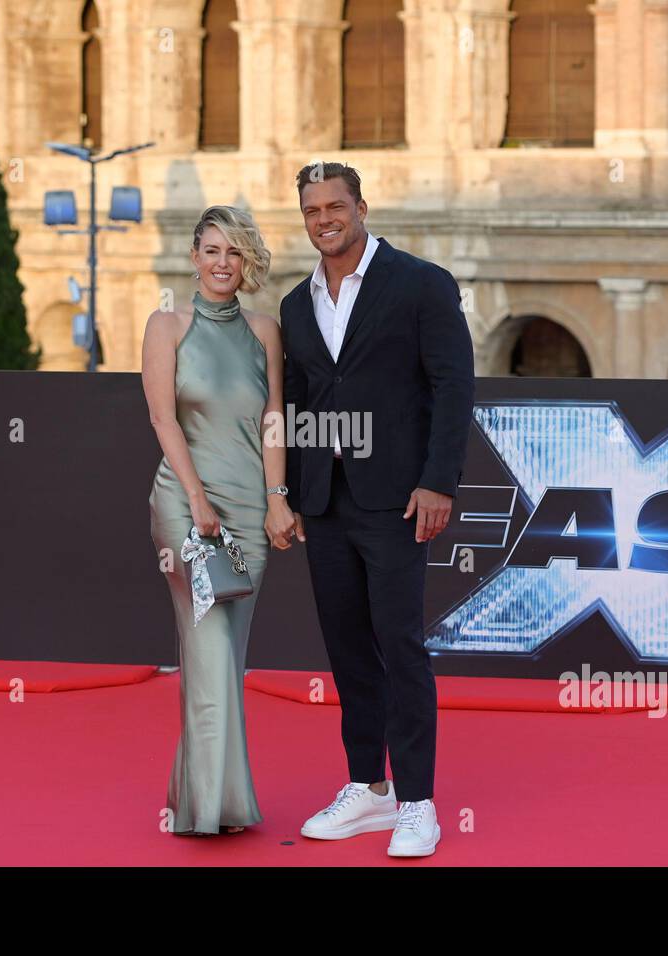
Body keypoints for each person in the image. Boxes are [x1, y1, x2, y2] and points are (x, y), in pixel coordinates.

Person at [281, 163, 475, 857]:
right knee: (347, 651)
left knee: (399, 647)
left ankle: (418, 802)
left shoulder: (420, 283)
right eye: (312, 209)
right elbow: (300, 402)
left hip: (397, 501)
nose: (324, 218)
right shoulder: (297, 304)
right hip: (326, 505)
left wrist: (439, 482)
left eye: (335, 204)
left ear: (361, 206)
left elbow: (453, 387)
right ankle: (369, 787)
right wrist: (294, 493)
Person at [143, 205, 299, 836]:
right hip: (187, 506)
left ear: (246, 259)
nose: (222, 262)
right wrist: (198, 499)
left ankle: (212, 799)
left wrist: (278, 497)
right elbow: (162, 420)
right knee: (207, 650)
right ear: (193, 257)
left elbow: (273, 421)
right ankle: (206, 808)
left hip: (251, 506)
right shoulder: (167, 325)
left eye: (233, 251)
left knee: (228, 656)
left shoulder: (265, 329)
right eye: (211, 250)